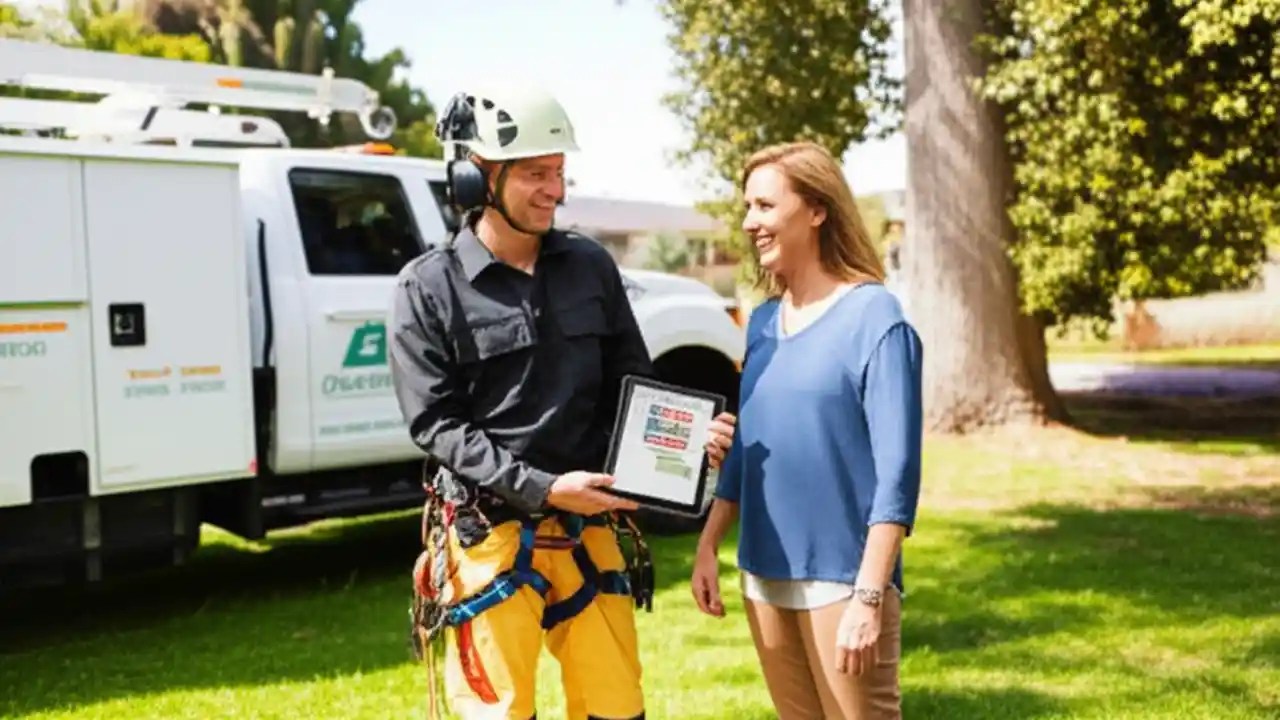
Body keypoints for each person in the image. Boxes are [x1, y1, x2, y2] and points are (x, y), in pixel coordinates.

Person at [388, 84, 735, 720]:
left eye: (559, 172)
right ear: (476, 177)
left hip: (590, 528)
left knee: (616, 707)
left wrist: (689, 445)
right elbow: (437, 424)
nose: (555, 190)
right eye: (536, 175)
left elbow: (633, 385)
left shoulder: (590, 266)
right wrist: (545, 488)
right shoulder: (427, 288)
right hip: (488, 533)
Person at [690, 141, 924, 720]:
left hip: (843, 578)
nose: (750, 222)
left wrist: (869, 595)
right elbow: (748, 450)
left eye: (766, 206)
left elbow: (898, 473)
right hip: (762, 574)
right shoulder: (763, 322)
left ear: (817, 210)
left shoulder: (875, 316)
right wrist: (708, 543)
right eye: (748, 207)